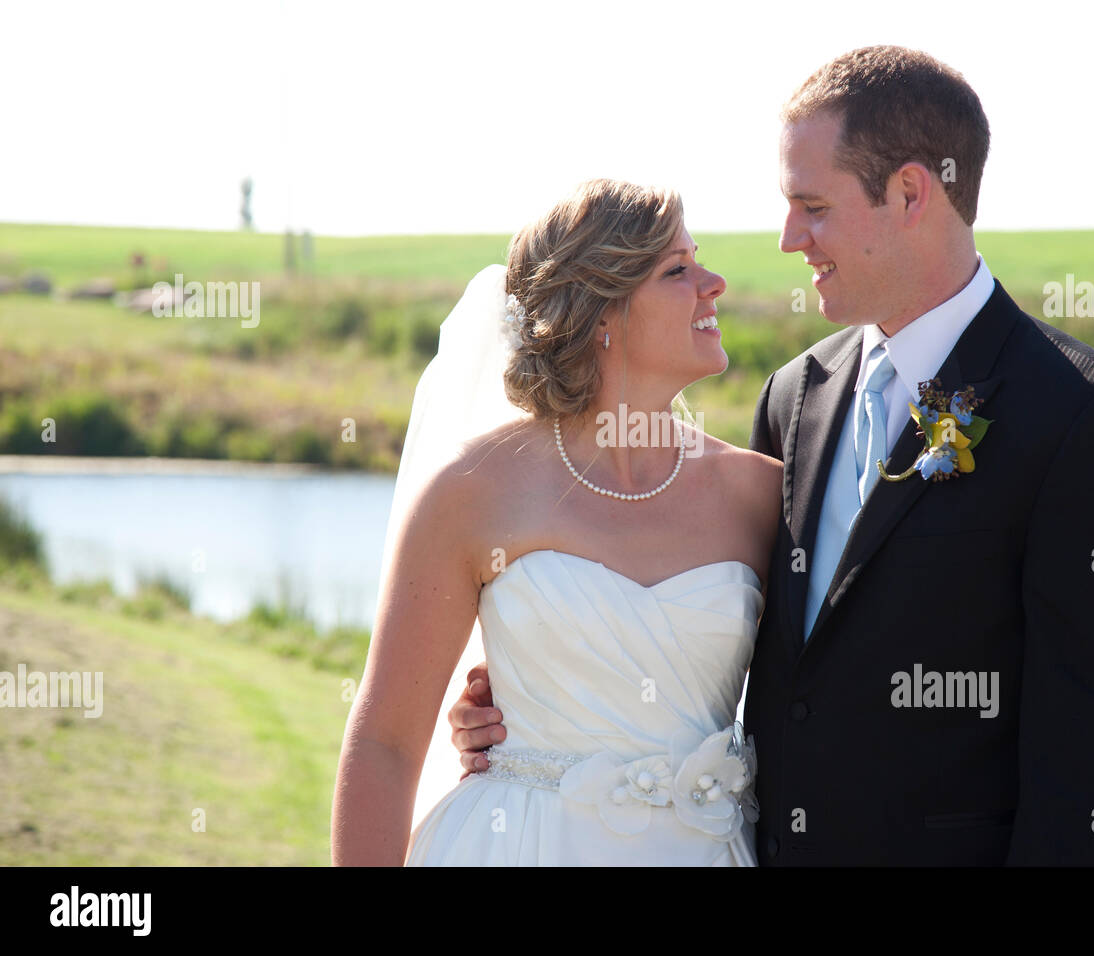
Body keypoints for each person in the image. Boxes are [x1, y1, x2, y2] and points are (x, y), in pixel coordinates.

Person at [449, 46, 1094, 865]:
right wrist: (539, 698)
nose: (789, 237)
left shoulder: (1091, 424)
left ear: (911, 191)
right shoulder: (796, 397)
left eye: (812, 207)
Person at [330, 179, 783, 866]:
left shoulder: (759, 494)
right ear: (603, 313)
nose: (714, 283)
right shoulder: (473, 490)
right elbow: (385, 744)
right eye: (678, 270)